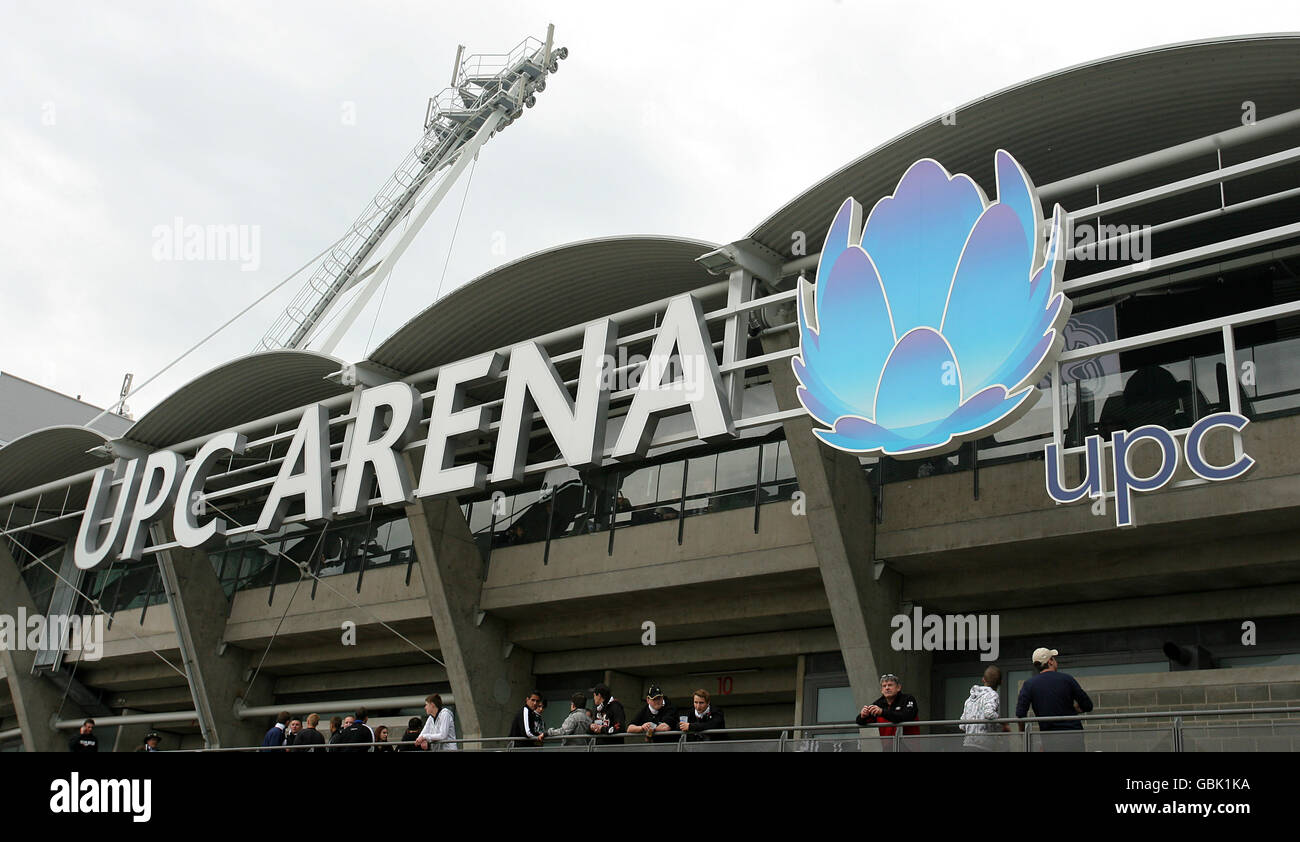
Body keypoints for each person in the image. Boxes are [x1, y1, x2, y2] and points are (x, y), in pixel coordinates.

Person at [1016, 648, 1093, 752]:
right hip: (1073, 735)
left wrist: (1022, 734)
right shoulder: (1067, 679)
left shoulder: (1029, 684)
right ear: (1050, 661)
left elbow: (1020, 714)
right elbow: (1088, 705)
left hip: (1049, 738)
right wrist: (1074, 709)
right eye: (1054, 658)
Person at [856, 674, 920, 751]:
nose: (887, 688)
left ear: (898, 687)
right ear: (881, 690)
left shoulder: (908, 699)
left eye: (890, 685)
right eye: (884, 686)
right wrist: (863, 715)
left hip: (910, 747)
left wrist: (883, 712)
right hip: (888, 748)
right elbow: (860, 721)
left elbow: (907, 716)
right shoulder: (879, 703)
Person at [960, 665, 1008, 752]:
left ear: (983, 679)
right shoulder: (992, 695)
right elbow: (989, 713)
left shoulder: (970, 699)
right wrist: (1003, 723)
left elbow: (962, 725)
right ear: (1000, 682)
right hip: (983, 745)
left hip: (967, 744)